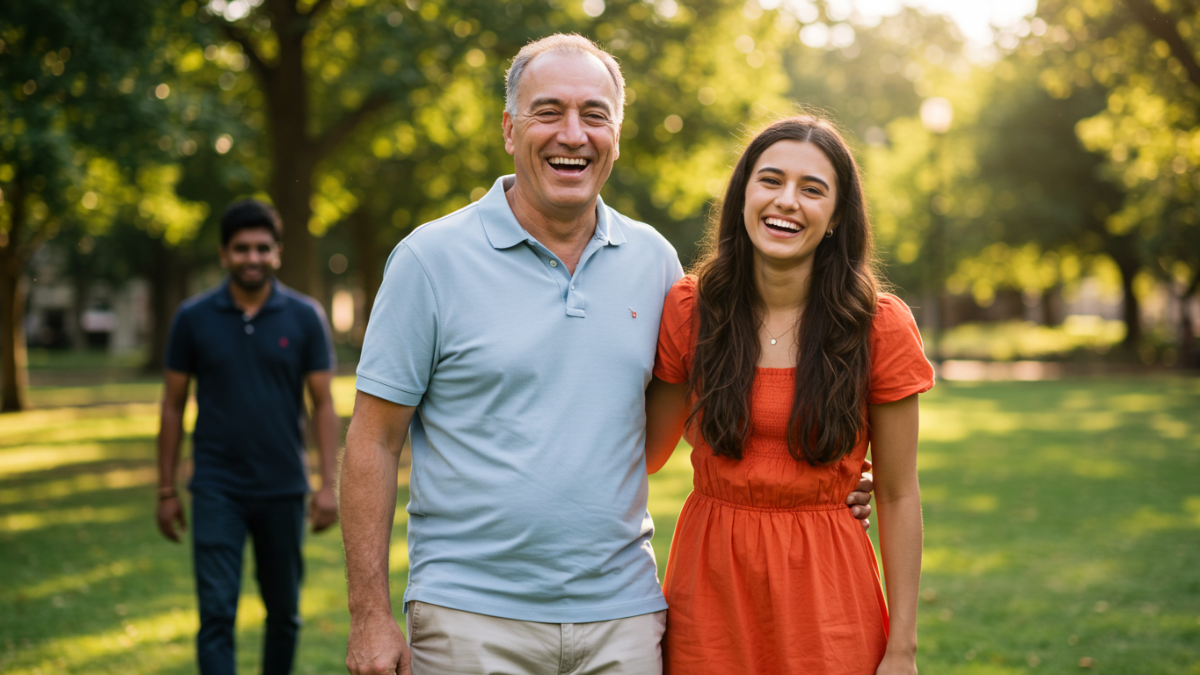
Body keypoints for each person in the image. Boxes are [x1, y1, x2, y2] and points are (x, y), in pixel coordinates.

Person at [339, 36, 873, 675]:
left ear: (616, 135)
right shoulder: (430, 260)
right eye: (548, 112)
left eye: (594, 115)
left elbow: (712, 407)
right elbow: (371, 441)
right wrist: (368, 613)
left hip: (624, 618)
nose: (573, 134)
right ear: (510, 129)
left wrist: (820, 479)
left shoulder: (657, 267)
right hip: (471, 621)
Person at [644, 115, 934, 675]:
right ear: (743, 195)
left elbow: (899, 494)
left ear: (837, 215)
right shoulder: (690, 310)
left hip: (827, 592)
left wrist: (902, 649)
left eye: (812, 189)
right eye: (770, 180)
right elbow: (645, 455)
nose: (787, 202)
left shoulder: (878, 326)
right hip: (710, 583)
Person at [155, 199, 341, 675]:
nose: (252, 258)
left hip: (283, 487)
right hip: (216, 487)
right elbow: (173, 406)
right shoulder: (192, 318)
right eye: (241, 249)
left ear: (277, 252)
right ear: (223, 255)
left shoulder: (305, 316)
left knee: (284, 614)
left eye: (262, 248)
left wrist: (326, 485)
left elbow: (324, 404)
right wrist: (166, 490)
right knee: (216, 613)